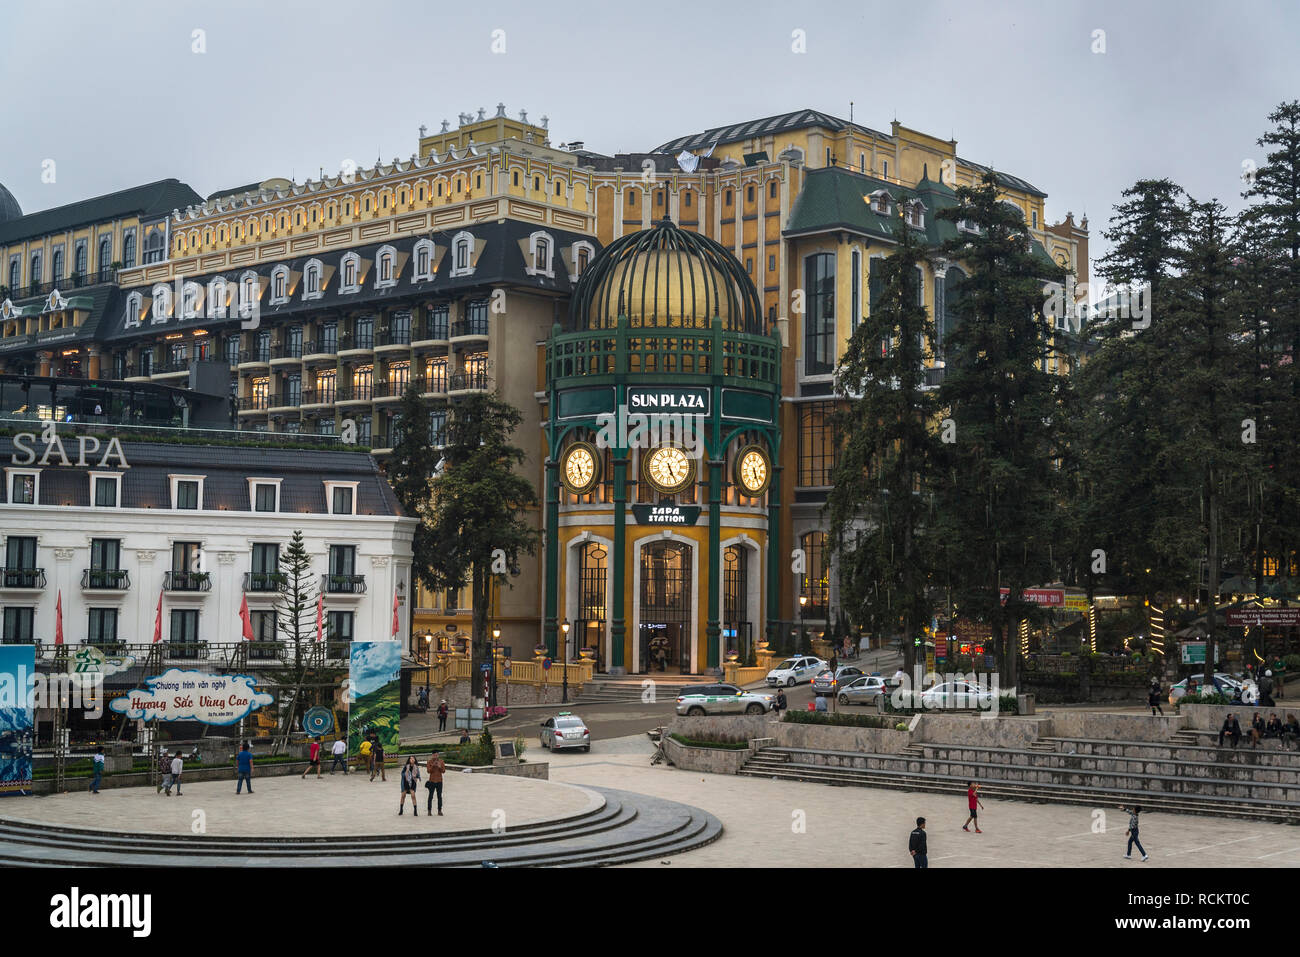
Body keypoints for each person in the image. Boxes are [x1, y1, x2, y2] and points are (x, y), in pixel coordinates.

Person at [425, 750, 446, 816]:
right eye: (434, 755)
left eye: (437, 755)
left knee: (439, 796)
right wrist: (433, 766)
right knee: (430, 796)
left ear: (438, 755)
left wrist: (440, 767)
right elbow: (428, 771)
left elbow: (443, 771)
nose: (436, 756)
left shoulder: (441, 761)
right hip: (432, 781)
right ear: (432, 755)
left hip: (439, 781)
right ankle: (429, 811)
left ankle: (439, 810)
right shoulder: (429, 762)